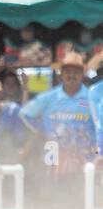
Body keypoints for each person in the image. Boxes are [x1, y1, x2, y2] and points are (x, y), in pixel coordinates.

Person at [21, 50, 98, 191]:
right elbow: (25, 114)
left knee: (82, 197)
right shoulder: (49, 97)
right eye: (67, 71)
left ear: (82, 75)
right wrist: (42, 131)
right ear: (61, 74)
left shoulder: (92, 98)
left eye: (76, 72)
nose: (71, 75)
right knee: (53, 194)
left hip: (84, 158)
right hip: (53, 156)